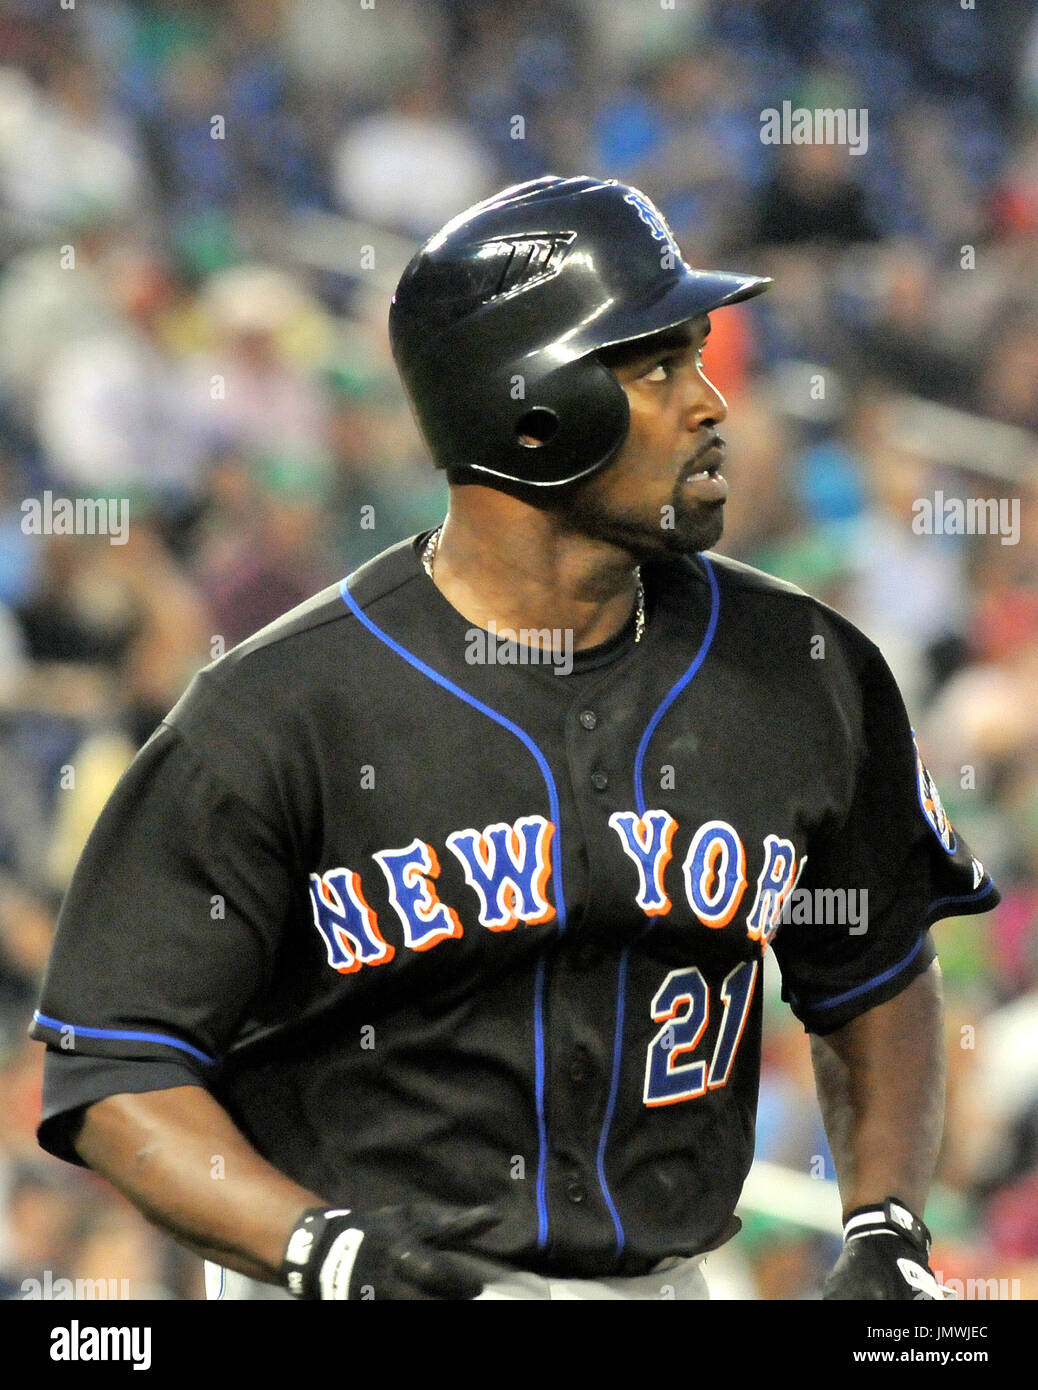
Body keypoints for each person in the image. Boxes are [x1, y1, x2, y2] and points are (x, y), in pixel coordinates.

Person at [30, 176, 999, 1301]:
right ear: (532, 414)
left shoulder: (805, 668)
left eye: (697, 355)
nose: (711, 402)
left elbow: (876, 968)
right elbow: (113, 1068)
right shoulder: (277, 709)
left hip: (658, 1280)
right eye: (657, 366)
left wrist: (885, 1224)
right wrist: (315, 1245)